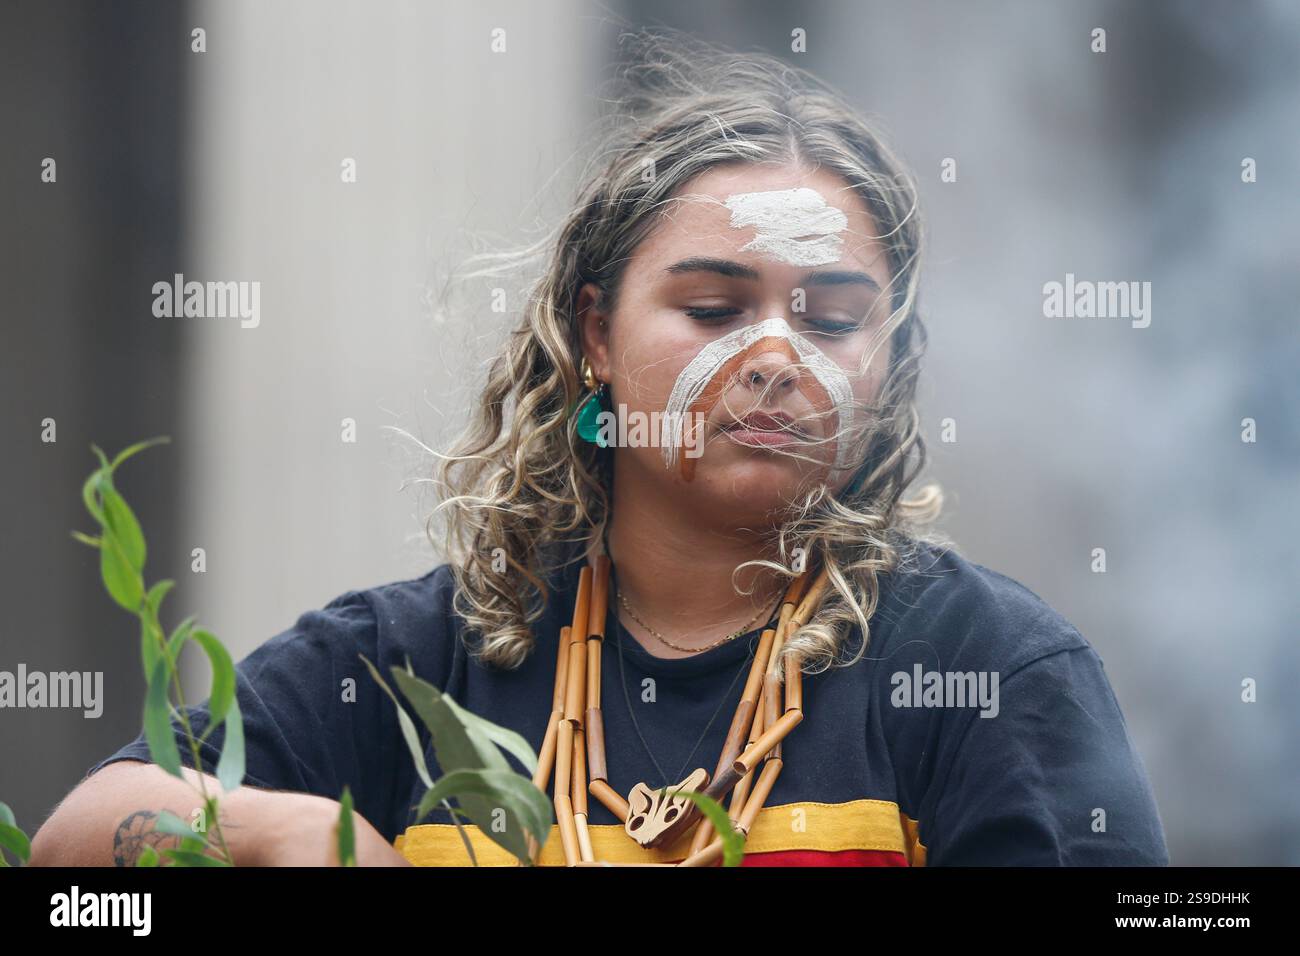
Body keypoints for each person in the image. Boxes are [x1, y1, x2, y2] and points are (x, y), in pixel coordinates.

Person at [31, 30, 1168, 867]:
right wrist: (295, 833)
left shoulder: (990, 671)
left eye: (829, 318)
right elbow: (67, 871)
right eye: (714, 308)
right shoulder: (408, 659)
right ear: (593, 336)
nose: (776, 357)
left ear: (887, 362)